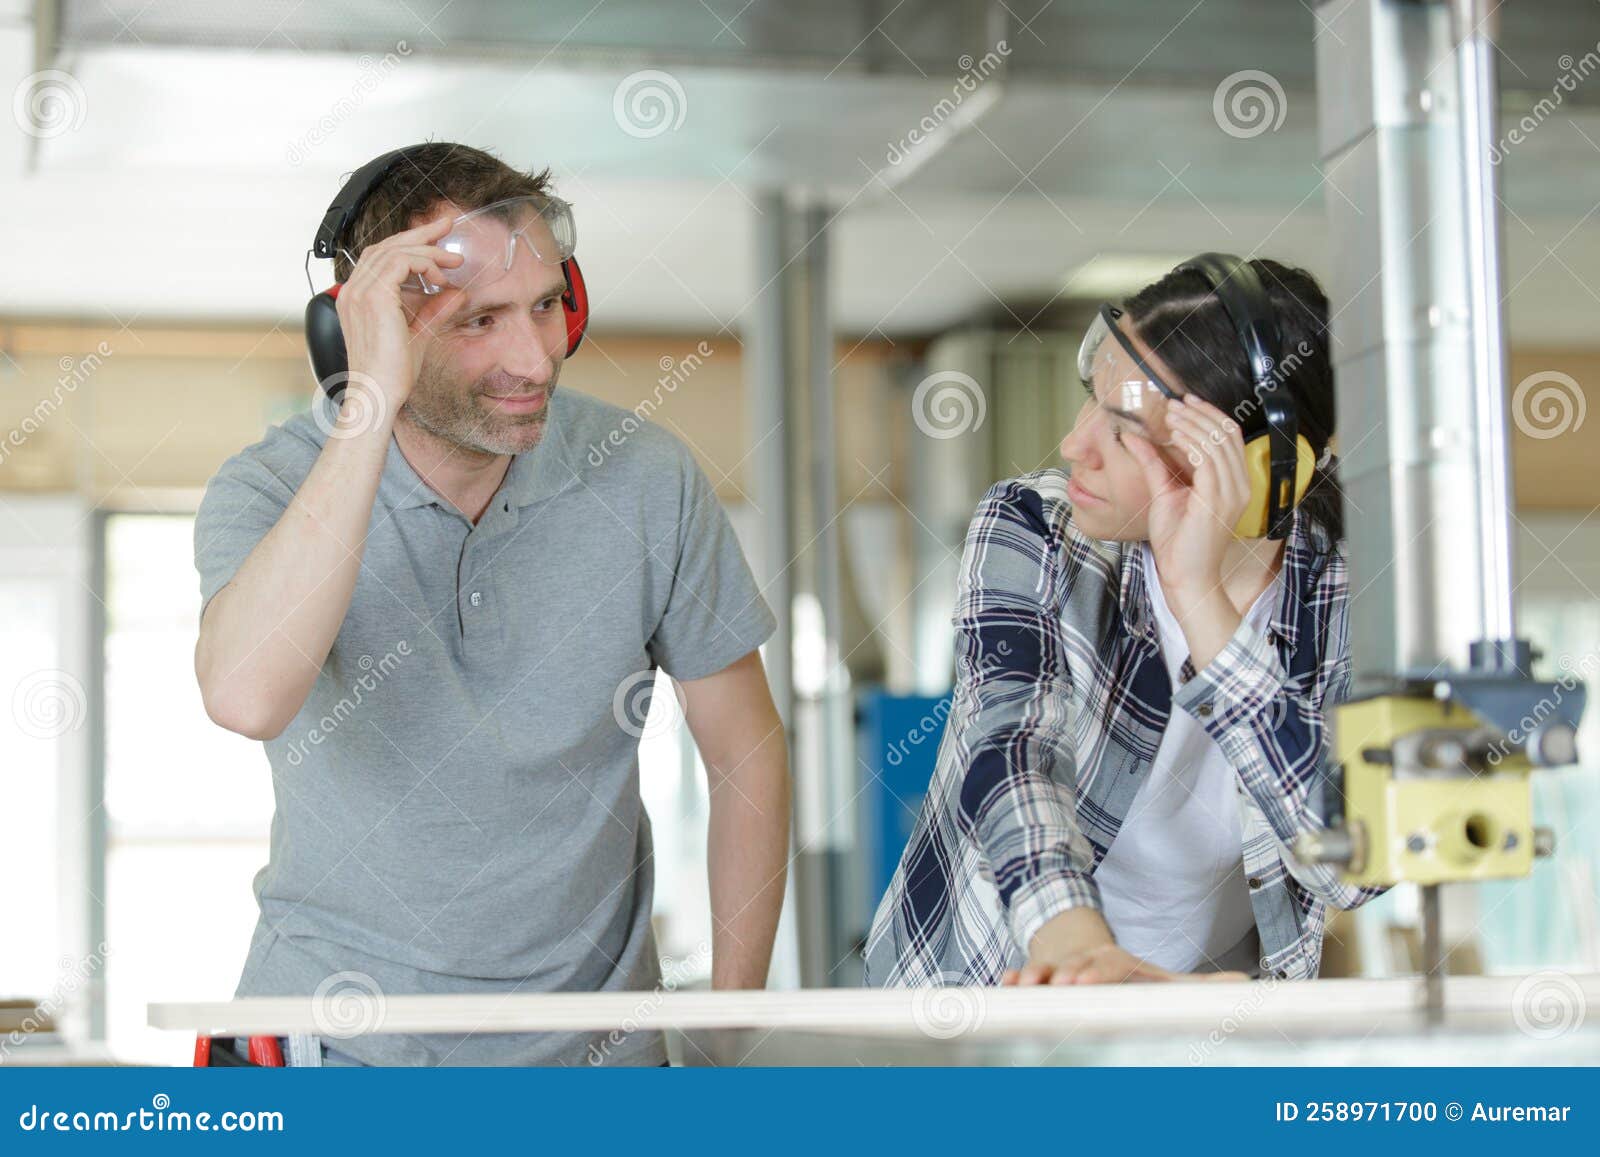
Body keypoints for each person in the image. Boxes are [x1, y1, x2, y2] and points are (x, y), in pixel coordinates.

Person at [193, 142, 789, 1065]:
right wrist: (368, 405)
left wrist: (729, 1027)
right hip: (332, 1055)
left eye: (549, 305)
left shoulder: (646, 477)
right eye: (480, 321)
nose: (537, 356)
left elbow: (746, 752)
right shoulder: (271, 487)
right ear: (359, 334)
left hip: (599, 1065)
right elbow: (245, 695)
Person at [864, 256, 1385, 989]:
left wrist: (1201, 596)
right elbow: (1011, 752)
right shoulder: (1035, 527)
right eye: (1091, 402)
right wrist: (1082, 957)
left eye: (1127, 428)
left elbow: (1352, 866)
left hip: (1190, 1021)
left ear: (1261, 471)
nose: (1077, 445)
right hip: (982, 993)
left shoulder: (1351, 596)